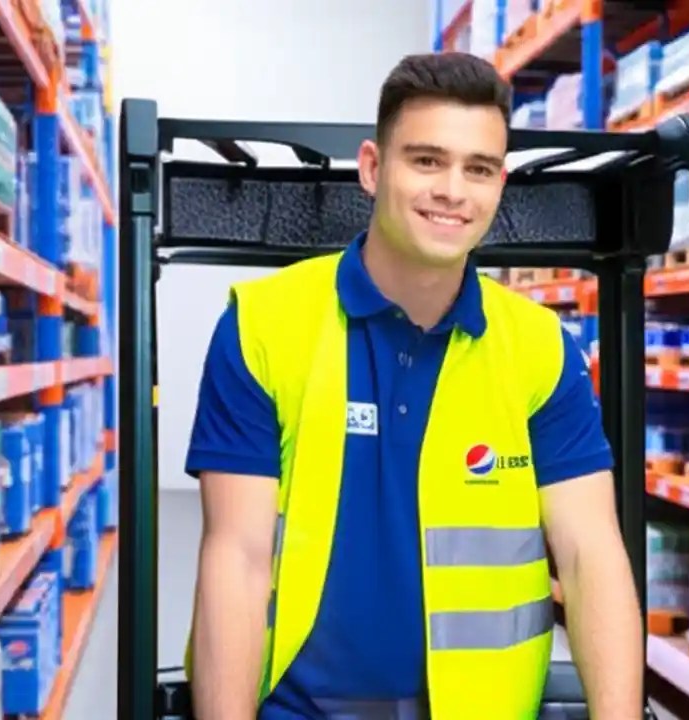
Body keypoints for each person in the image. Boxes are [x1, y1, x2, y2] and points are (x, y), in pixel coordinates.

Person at [184, 51, 644, 719]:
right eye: (426, 160)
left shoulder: (539, 348)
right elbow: (238, 556)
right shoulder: (264, 327)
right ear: (373, 168)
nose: (453, 190)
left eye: (478, 169)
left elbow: (589, 554)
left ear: (499, 184)